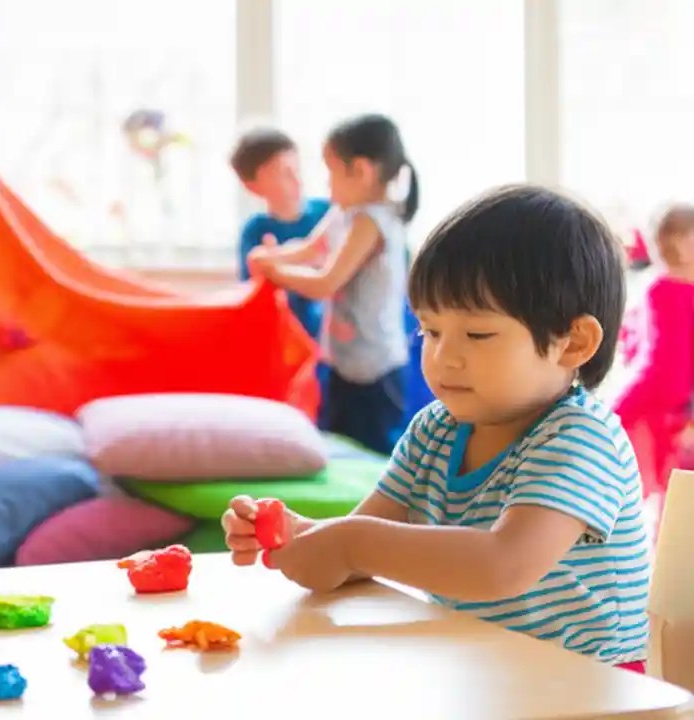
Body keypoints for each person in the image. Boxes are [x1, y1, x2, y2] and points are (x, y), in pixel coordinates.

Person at [224, 185, 650, 671]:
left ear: (572, 343)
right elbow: (355, 554)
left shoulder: (581, 437)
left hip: (598, 690)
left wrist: (349, 542)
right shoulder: (435, 431)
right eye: (430, 331)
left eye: (477, 334)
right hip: (482, 674)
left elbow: (502, 565)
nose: (444, 356)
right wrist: (296, 536)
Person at [247, 114, 417, 454]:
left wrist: (275, 273)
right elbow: (310, 249)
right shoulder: (344, 212)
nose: (326, 184)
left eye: (332, 171)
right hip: (343, 362)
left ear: (362, 171)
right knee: (338, 444)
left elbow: (326, 282)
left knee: (371, 452)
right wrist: (272, 257)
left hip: (374, 371)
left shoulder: (371, 223)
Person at [614, 204, 694, 510]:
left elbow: (663, 368)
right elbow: (665, 366)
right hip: (671, 418)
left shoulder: (665, 291)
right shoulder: (667, 291)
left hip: (673, 418)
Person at [229, 126, 332, 340]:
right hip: (286, 341)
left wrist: (286, 264)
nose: (297, 180)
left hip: (335, 343)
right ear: (252, 186)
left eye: (297, 169)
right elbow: (253, 294)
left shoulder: (329, 213)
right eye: (284, 173)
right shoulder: (255, 231)